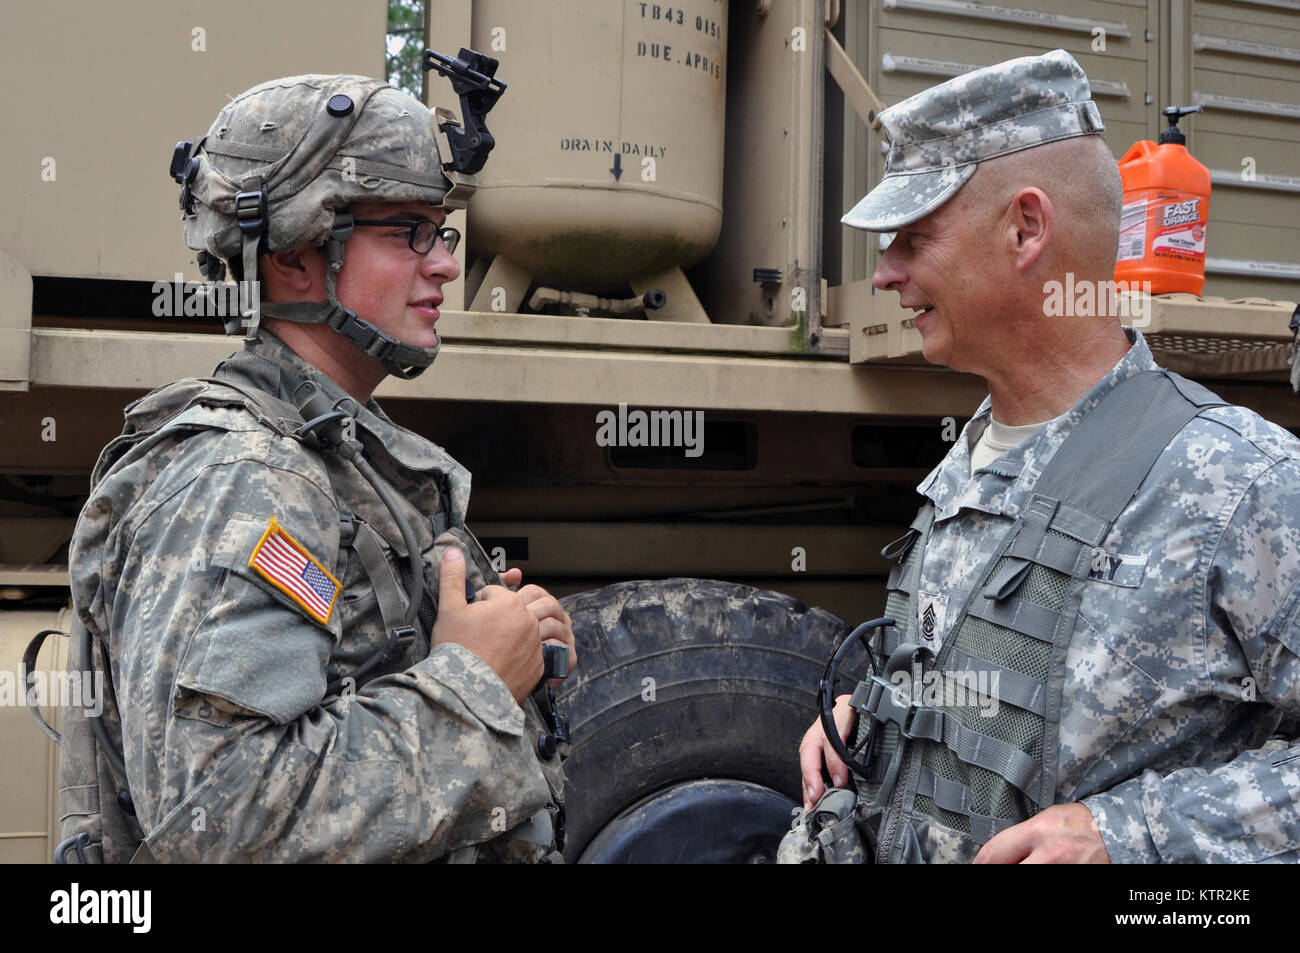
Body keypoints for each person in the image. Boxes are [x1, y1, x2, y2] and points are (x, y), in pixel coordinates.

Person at [790, 49, 1300, 864]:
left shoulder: (1240, 484)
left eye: (913, 238)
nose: (885, 274)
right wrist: (881, 713)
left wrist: (1129, 838)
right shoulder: (963, 470)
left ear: (1026, 228)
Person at [61, 69, 576, 863]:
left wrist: (501, 648)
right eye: (407, 232)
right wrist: (473, 684)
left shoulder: (334, 453)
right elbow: (223, 825)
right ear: (298, 257)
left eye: (442, 233)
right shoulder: (245, 475)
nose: (442, 264)